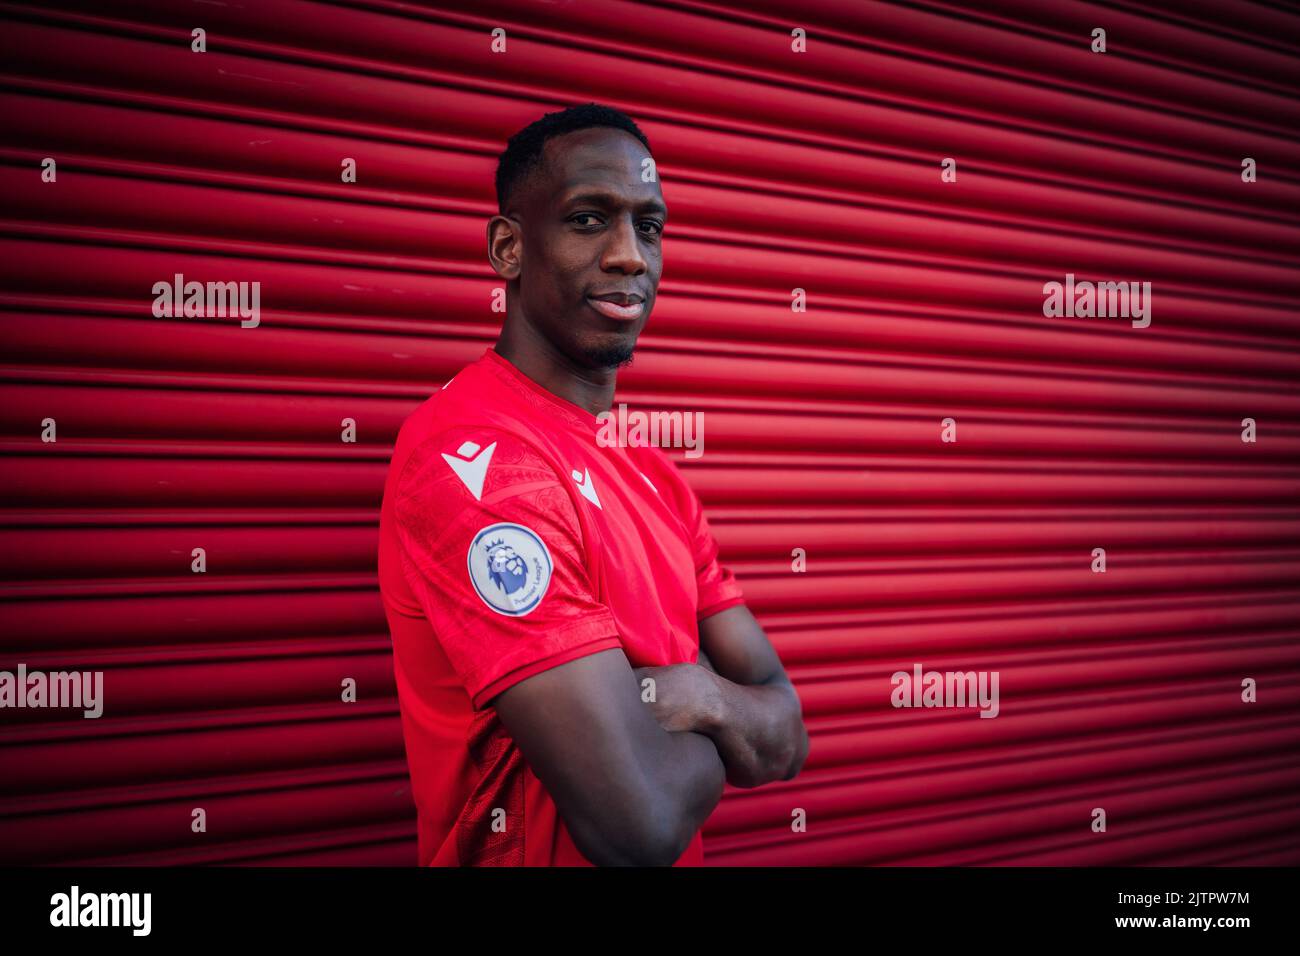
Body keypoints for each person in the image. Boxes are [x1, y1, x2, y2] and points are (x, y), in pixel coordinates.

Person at [378, 102, 809, 866]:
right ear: (508, 247)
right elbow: (633, 824)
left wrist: (696, 696)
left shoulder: (655, 474)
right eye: (588, 219)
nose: (629, 257)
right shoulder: (476, 461)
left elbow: (786, 736)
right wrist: (724, 718)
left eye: (649, 226)